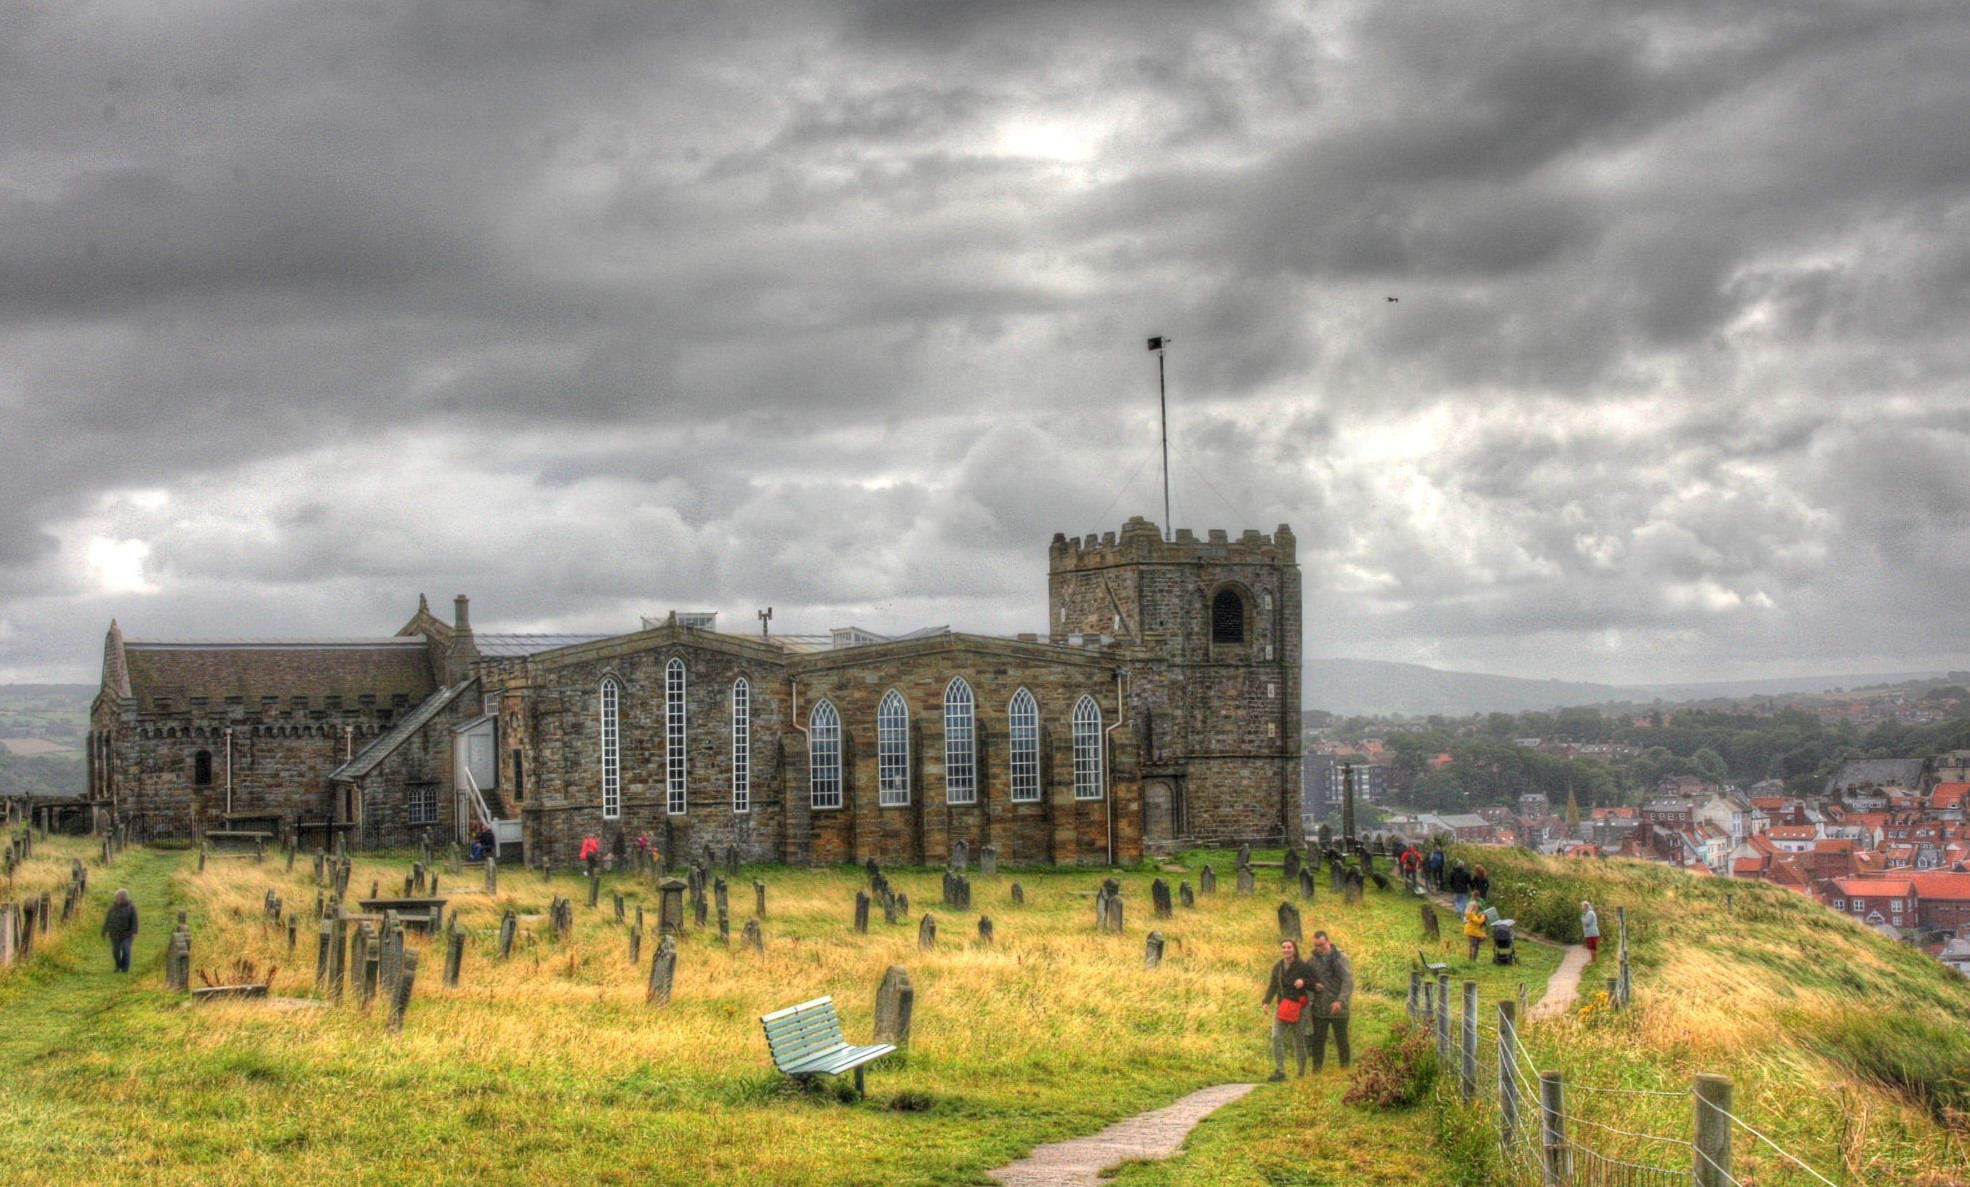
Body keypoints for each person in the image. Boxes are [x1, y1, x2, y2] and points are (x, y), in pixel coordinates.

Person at [1262, 939, 1312, 1081]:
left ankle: (1301, 1072)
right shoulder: (1278, 966)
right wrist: (1266, 1002)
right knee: (1276, 1036)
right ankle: (1280, 1071)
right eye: (1283, 947)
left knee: (1299, 1040)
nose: (1286, 949)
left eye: (1289, 947)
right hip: (1282, 1007)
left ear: (1294, 949)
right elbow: (1273, 985)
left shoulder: (1303, 966)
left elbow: (1314, 983)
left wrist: (1304, 982)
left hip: (1300, 1008)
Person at [1305, 930, 1354, 1071]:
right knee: (1318, 1041)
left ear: (1328, 941)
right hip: (1320, 1007)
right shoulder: (1313, 960)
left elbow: (1348, 981)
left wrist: (1341, 1001)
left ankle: (1345, 1070)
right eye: (1316, 946)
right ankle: (1316, 1071)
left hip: (1339, 1007)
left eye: (1321, 945)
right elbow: (1307, 978)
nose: (1319, 948)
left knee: (1342, 1040)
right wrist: (1313, 985)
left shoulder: (1340, 957)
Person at [102, 888, 138, 973]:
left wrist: (134, 932)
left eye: (117, 897)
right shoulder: (113, 908)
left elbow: (134, 921)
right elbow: (108, 919)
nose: (115, 898)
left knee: (126, 949)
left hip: (127, 934)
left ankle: (125, 969)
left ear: (123, 897)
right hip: (114, 933)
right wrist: (104, 931)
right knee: (116, 951)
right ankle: (118, 964)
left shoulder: (130, 908)